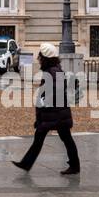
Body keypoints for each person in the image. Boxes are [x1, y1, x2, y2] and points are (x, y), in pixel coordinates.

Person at [12, 44, 80, 176]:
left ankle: (27, 163)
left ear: (46, 58)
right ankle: (74, 165)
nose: (38, 59)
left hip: (54, 114)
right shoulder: (53, 70)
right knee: (63, 138)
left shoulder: (52, 72)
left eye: (40, 56)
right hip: (57, 113)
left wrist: (43, 101)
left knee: (48, 137)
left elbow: (53, 92)